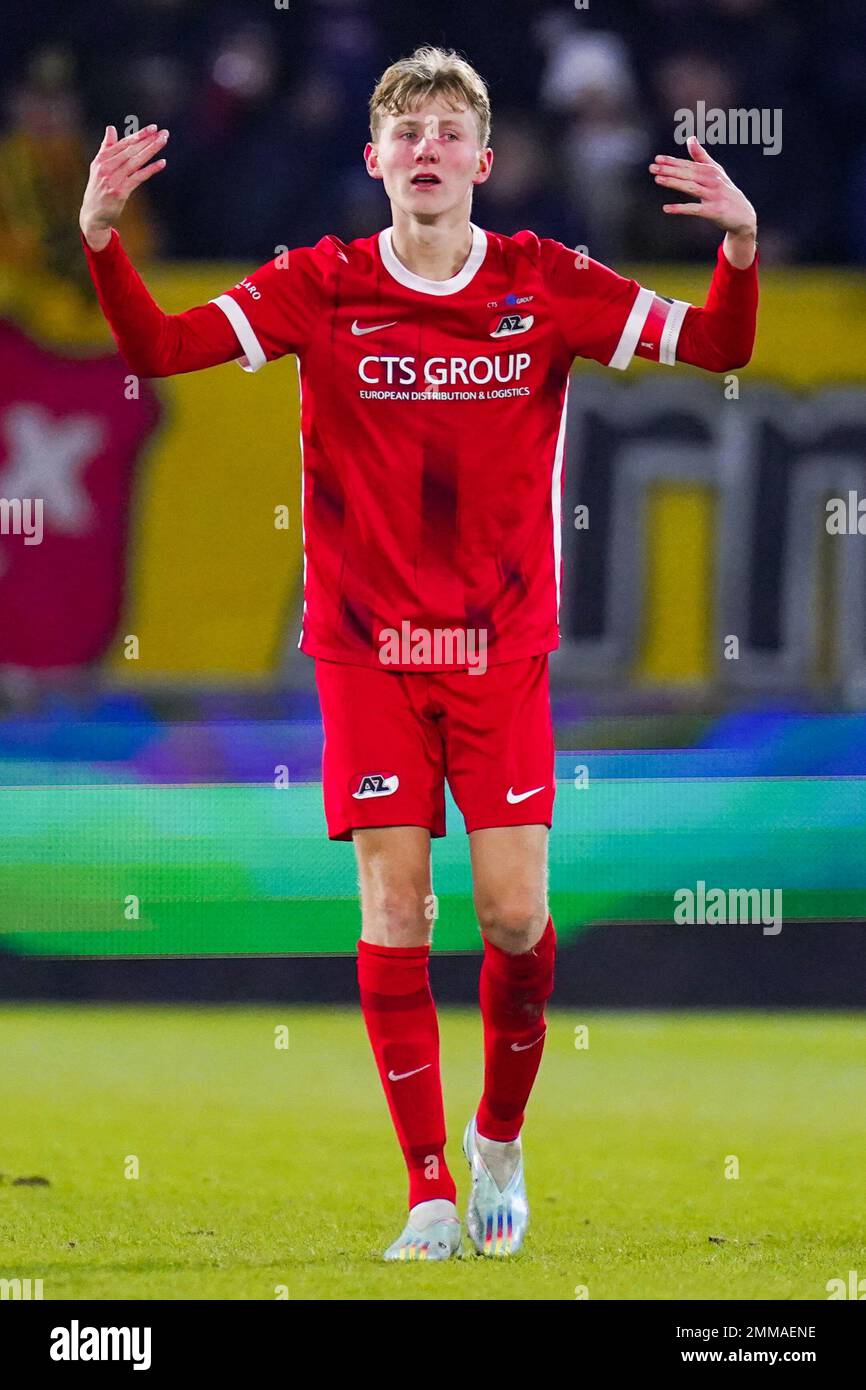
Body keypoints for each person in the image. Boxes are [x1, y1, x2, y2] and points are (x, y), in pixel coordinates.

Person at [79, 45, 758, 1262]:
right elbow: (158, 355)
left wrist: (741, 251)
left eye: (451, 131)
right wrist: (103, 242)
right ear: (375, 158)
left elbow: (715, 350)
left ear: (483, 162)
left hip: (499, 650)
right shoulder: (319, 283)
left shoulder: (545, 283)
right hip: (365, 649)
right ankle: (430, 1193)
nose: (429, 149)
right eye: (410, 131)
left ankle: (498, 1141)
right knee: (397, 906)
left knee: (508, 918)